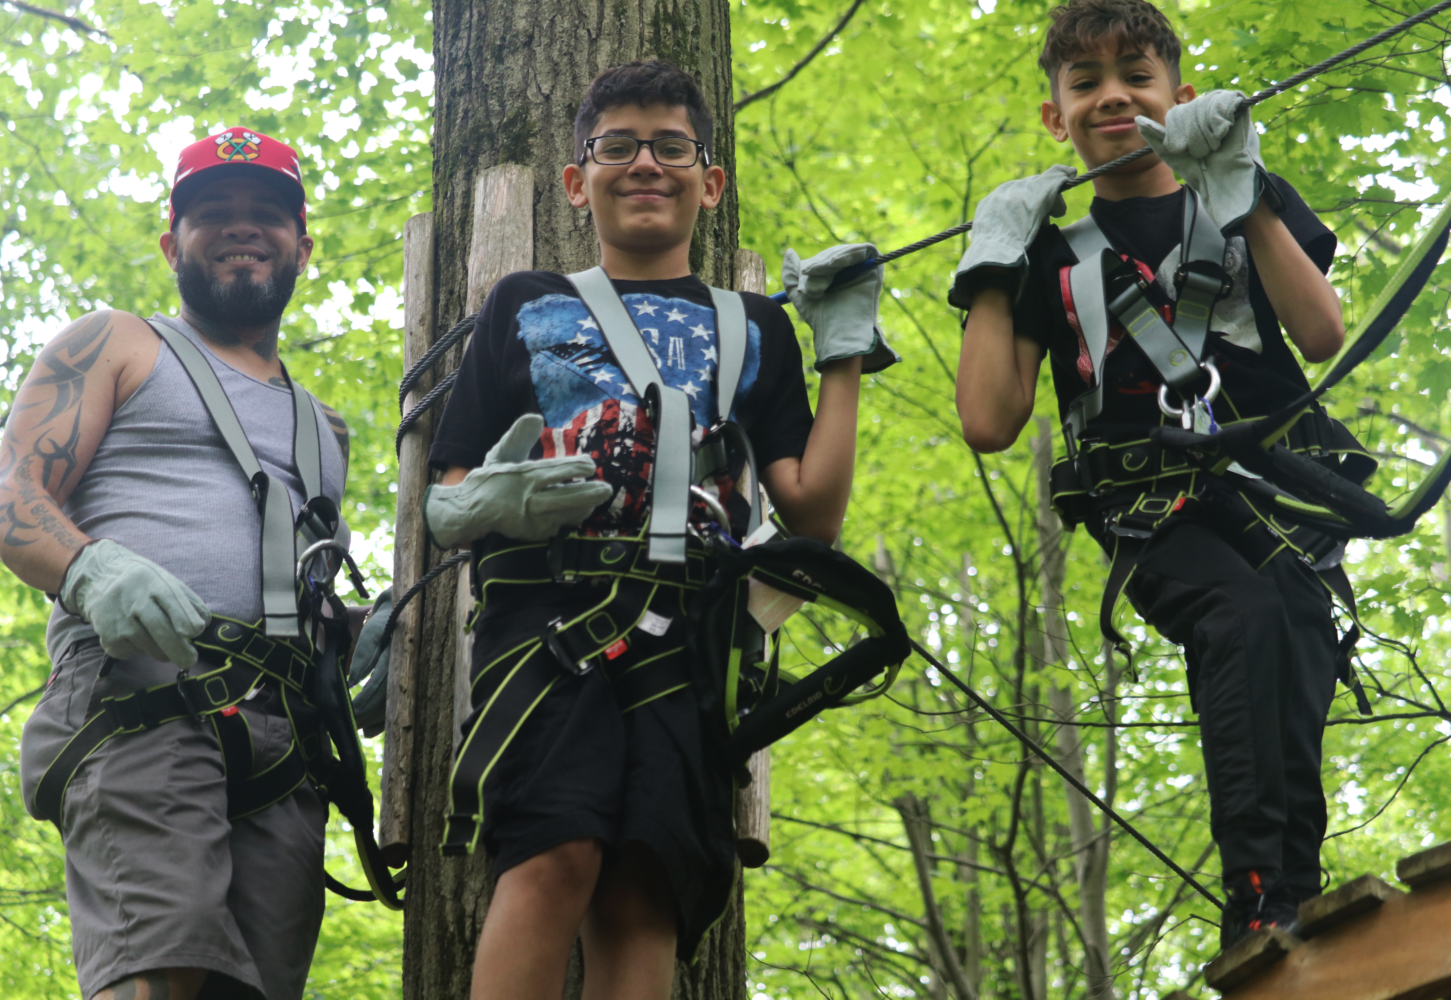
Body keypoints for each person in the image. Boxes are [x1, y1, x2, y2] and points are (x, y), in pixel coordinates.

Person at [421, 60, 895, 1000]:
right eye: (618, 147)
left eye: (672, 147)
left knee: (646, 889)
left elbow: (813, 509)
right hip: (554, 619)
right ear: (576, 180)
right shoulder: (526, 302)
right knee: (553, 852)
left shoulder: (756, 327)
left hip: (694, 634)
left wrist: (841, 355)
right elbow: (451, 484)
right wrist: (487, 501)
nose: (647, 165)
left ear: (709, 182)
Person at [952, 0, 1349, 949]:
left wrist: (1240, 191)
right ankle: (1256, 889)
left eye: (1137, 74)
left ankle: (1293, 885)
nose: (1114, 96)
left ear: (1183, 93)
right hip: (1150, 501)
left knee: (1295, 620)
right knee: (1239, 616)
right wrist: (990, 269)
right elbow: (988, 420)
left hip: (1275, 480)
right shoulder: (1047, 254)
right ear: (1056, 117)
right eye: (1084, 83)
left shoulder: (1242, 192)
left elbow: (1322, 331)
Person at [0, 128, 352, 1000]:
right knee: (160, 969)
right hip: (141, 694)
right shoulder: (114, 344)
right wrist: (91, 571)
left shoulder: (325, 429)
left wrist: (359, 644)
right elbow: (12, 505)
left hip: (284, 741)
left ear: (302, 243)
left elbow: (307, 583)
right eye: (212, 214)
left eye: (266, 214)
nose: (241, 229)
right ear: (170, 243)